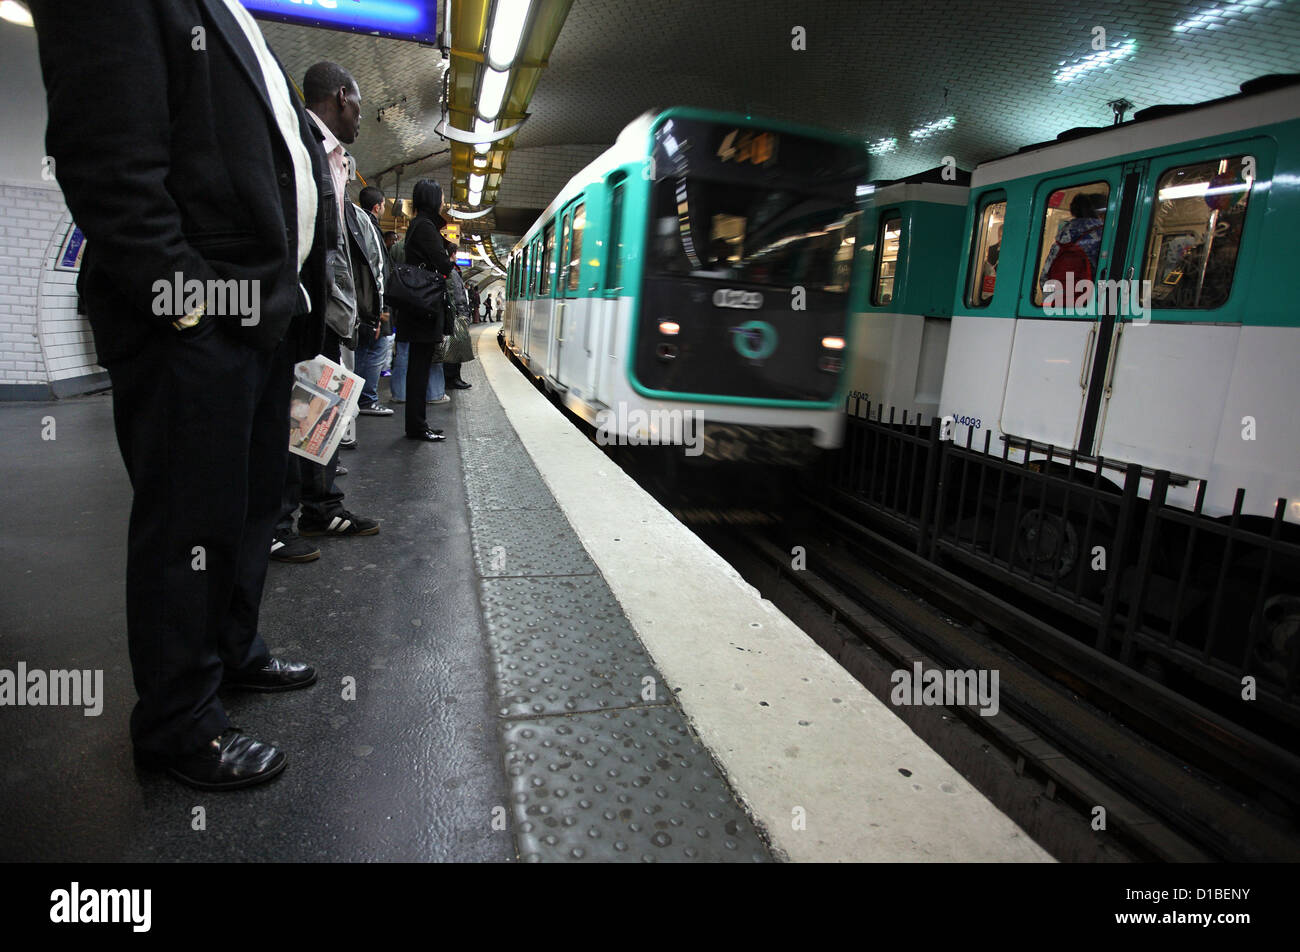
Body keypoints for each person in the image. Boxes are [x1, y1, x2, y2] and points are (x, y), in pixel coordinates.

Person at [30, 0, 326, 790]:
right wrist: (188, 307)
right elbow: (106, 161)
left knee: (250, 505)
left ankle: (232, 652)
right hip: (198, 319)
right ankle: (177, 722)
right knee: (187, 520)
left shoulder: (233, 14)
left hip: (261, 314)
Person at [273, 61, 379, 562]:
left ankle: (321, 507)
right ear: (341, 96)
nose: (362, 116)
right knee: (288, 413)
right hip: (295, 307)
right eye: (358, 104)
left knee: (320, 410)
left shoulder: (336, 156)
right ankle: (276, 521)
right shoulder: (297, 143)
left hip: (323, 310)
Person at [396, 179, 454, 441]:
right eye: (441, 196)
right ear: (432, 199)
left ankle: (417, 424)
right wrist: (449, 254)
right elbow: (443, 265)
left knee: (418, 367)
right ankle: (417, 427)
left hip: (418, 305)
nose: (443, 201)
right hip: (424, 306)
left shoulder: (418, 225)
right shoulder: (425, 227)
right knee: (419, 368)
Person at [352, 185, 394, 417]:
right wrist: (378, 312)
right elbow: (377, 272)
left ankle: (358, 398)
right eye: (384, 206)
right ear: (377, 207)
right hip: (373, 305)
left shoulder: (357, 223)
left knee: (365, 349)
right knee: (372, 348)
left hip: (366, 304)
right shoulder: (371, 228)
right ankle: (365, 399)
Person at [1040, 192, 1106, 302]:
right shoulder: (1105, 235)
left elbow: (1044, 278)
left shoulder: (1062, 238)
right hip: (1089, 305)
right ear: (1102, 214)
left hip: (1059, 304)